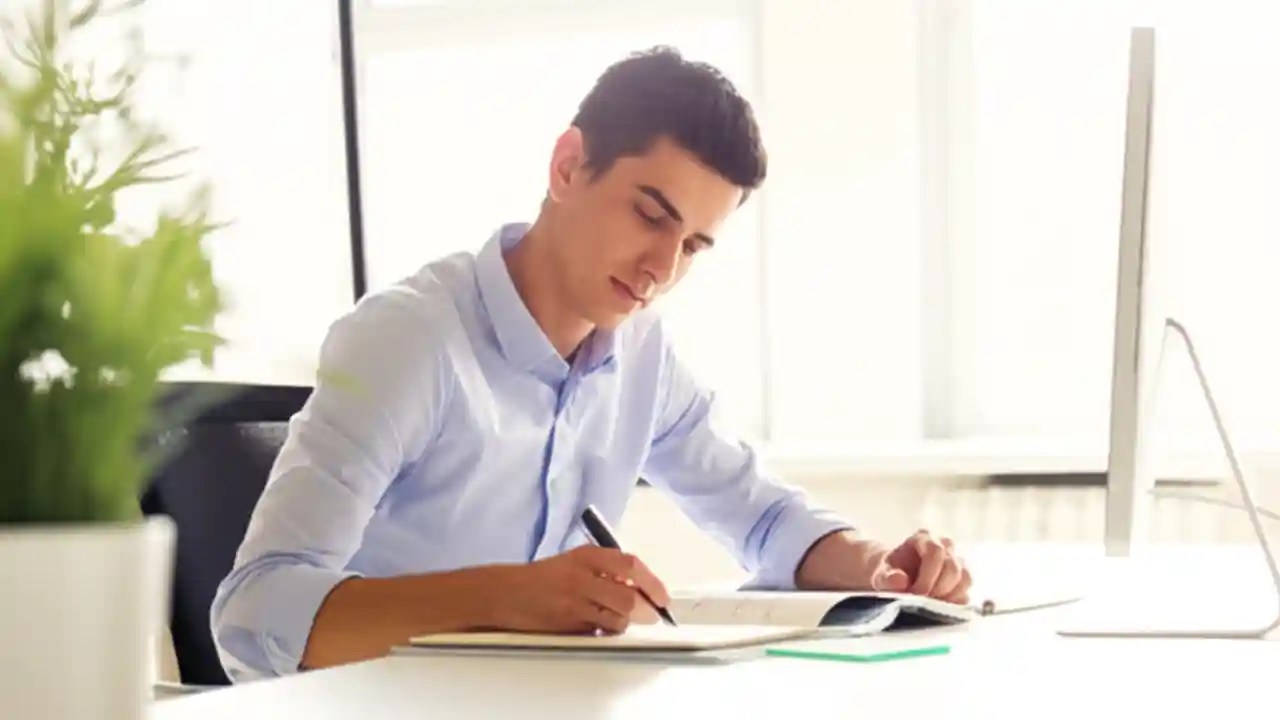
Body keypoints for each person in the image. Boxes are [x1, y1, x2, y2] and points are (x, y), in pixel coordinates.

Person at [211, 46, 972, 682]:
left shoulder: (642, 354)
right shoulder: (410, 342)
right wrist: (509, 599)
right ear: (569, 166)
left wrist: (882, 569)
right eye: (651, 214)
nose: (661, 269)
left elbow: (764, 516)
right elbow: (255, 611)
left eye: (696, 247)